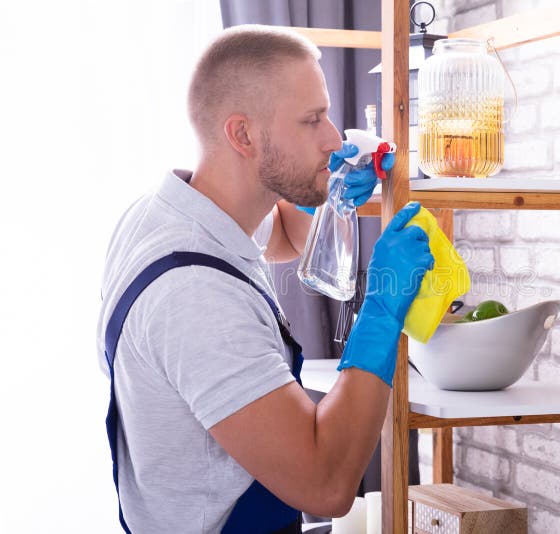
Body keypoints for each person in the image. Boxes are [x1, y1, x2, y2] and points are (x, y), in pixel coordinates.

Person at [96, 25, 433, 533]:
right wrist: (382, 309)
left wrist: (326, 192)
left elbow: (284, 239)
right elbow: (326, 485)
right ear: (243, 135)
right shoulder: (196, 297)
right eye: (312, 120)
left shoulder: (173, 215)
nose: (333, 139)